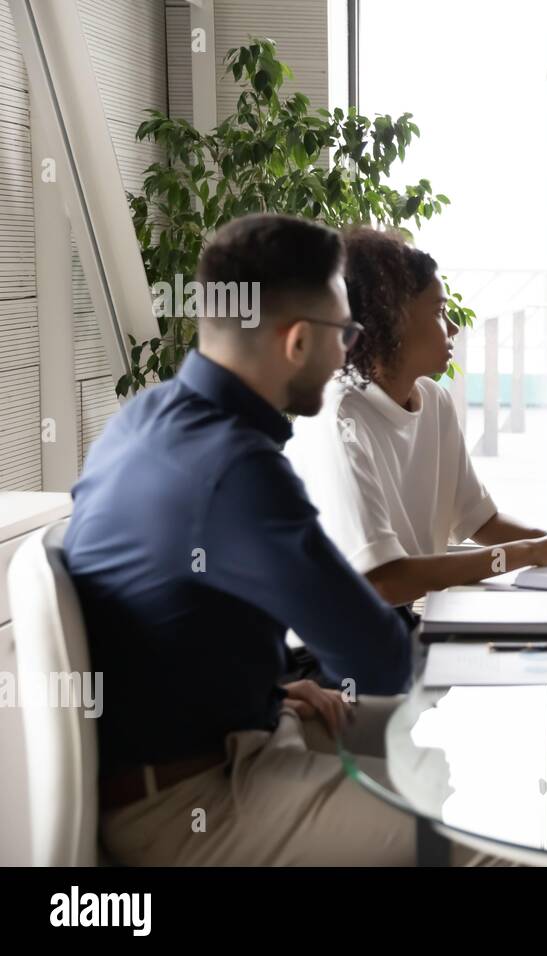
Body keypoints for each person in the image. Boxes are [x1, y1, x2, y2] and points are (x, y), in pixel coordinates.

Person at [65, 213, 420, 865]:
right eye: (343, 332)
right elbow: (379, 660)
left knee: (455, 752)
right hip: (189, 805)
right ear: (295, 344)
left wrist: (275, 687)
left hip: (218, 743)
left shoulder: (144, 419)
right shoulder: (236, 469)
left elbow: (172, 627)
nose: (348, 350)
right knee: (481, 843)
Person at [285, 227, 547, 607]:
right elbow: (383, 582)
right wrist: (532, 552)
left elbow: (481, 522)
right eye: (439, 311)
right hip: (335, 651)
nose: (453, 328)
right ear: (390, 320)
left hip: (406, 624)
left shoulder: (434, 400)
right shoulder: (337, 417)